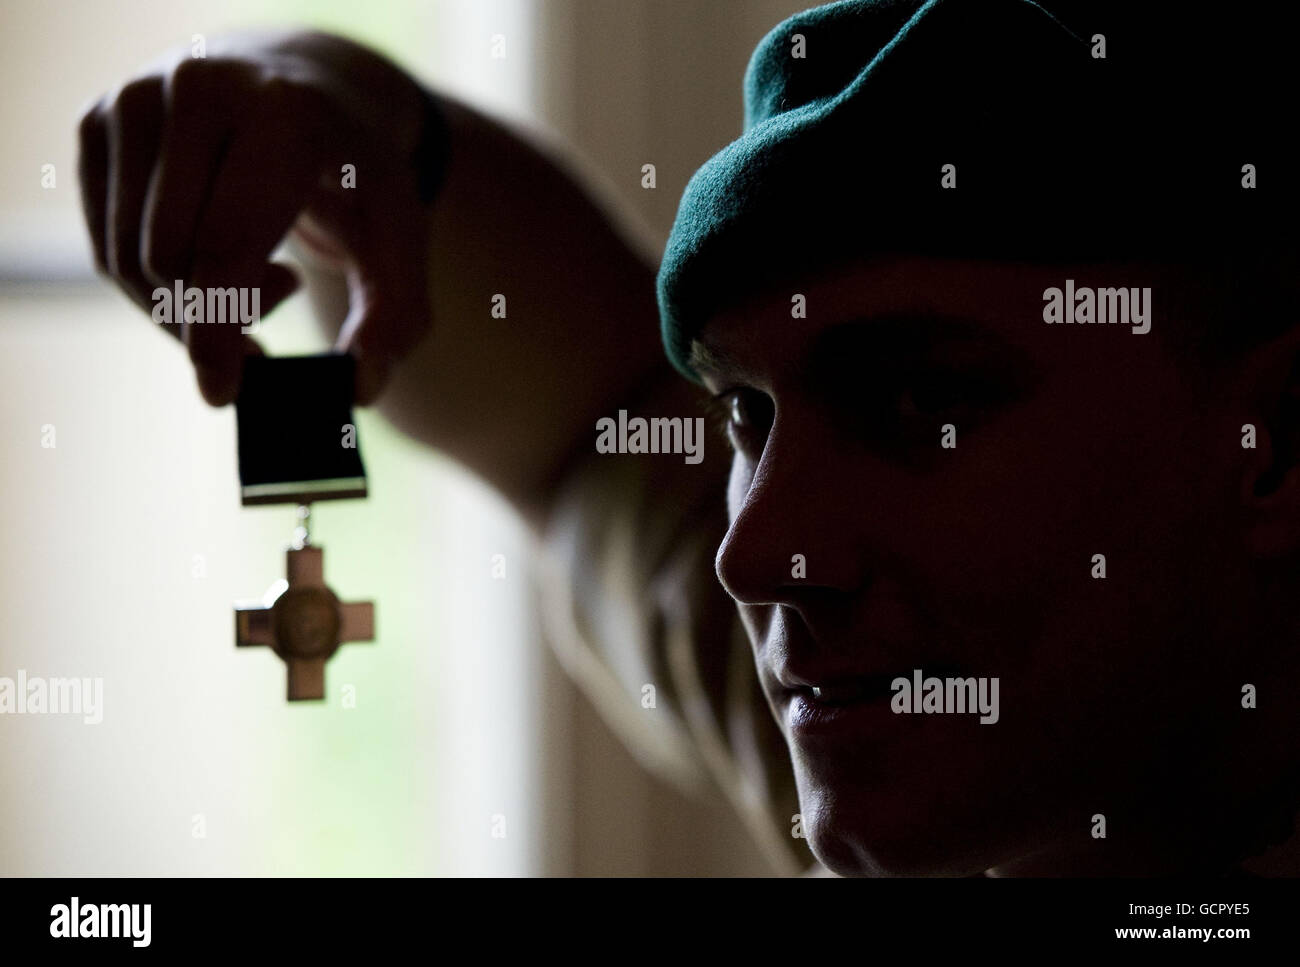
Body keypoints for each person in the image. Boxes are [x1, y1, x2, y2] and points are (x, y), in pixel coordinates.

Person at [77, 0, 1300, 876]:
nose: (754, 548)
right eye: (746, 416)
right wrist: (290, 89)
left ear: (1275, 442)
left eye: (922, 405)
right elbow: (581, 419)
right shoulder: (964, 750)